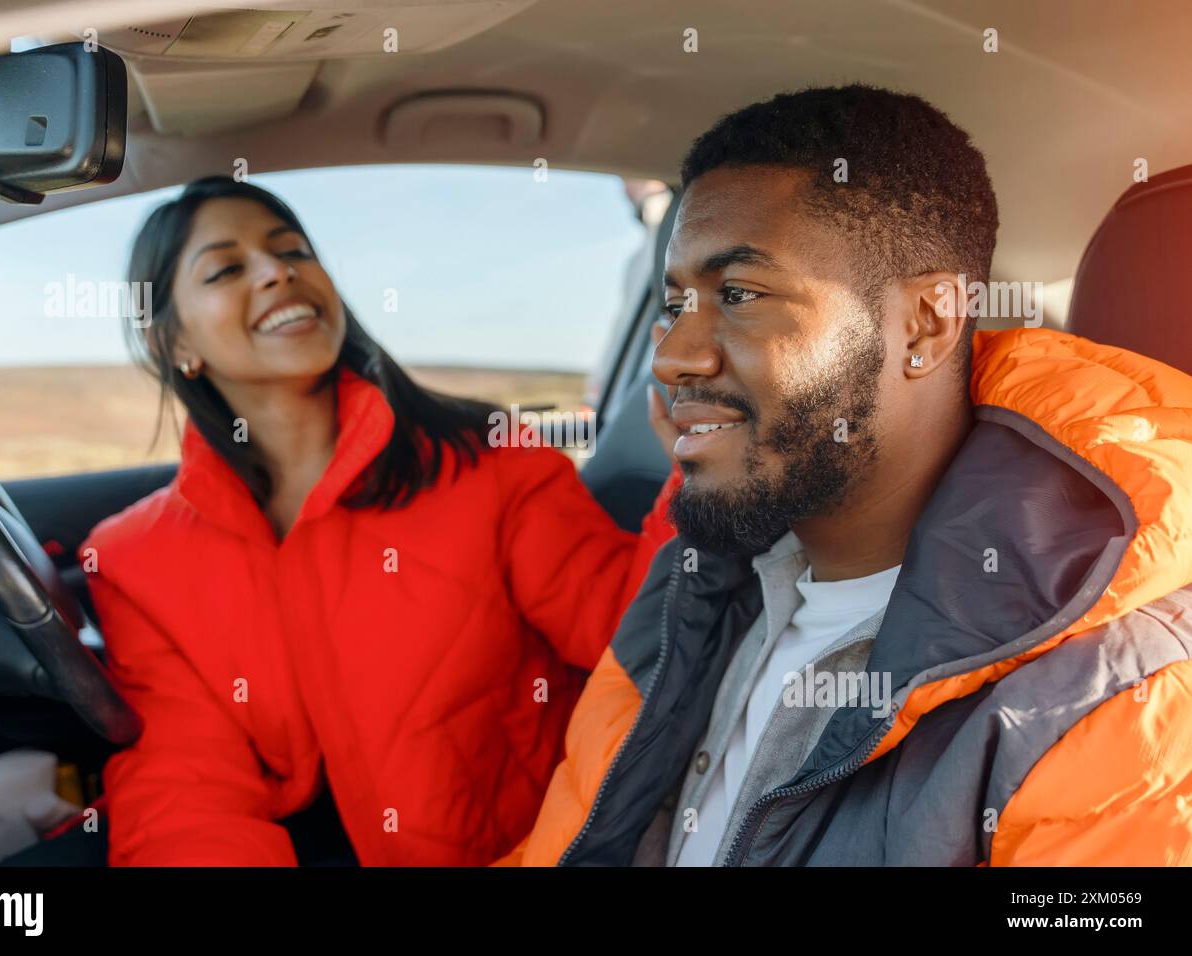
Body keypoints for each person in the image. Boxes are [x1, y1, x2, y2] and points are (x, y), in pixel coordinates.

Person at [499, 85, 1192, 866]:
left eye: (739, 295)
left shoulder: (1120, 704)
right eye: (675, 302)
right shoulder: (697, 588)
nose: (671, 356)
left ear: (924, 325)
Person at [80, 176, 682, 866]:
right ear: (175, 344)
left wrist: (691, 496)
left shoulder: (488, 459)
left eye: (293, 251)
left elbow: (633, 636)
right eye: (226, 268)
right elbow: (186, 790)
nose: (279, 272)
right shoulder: (136, 559)